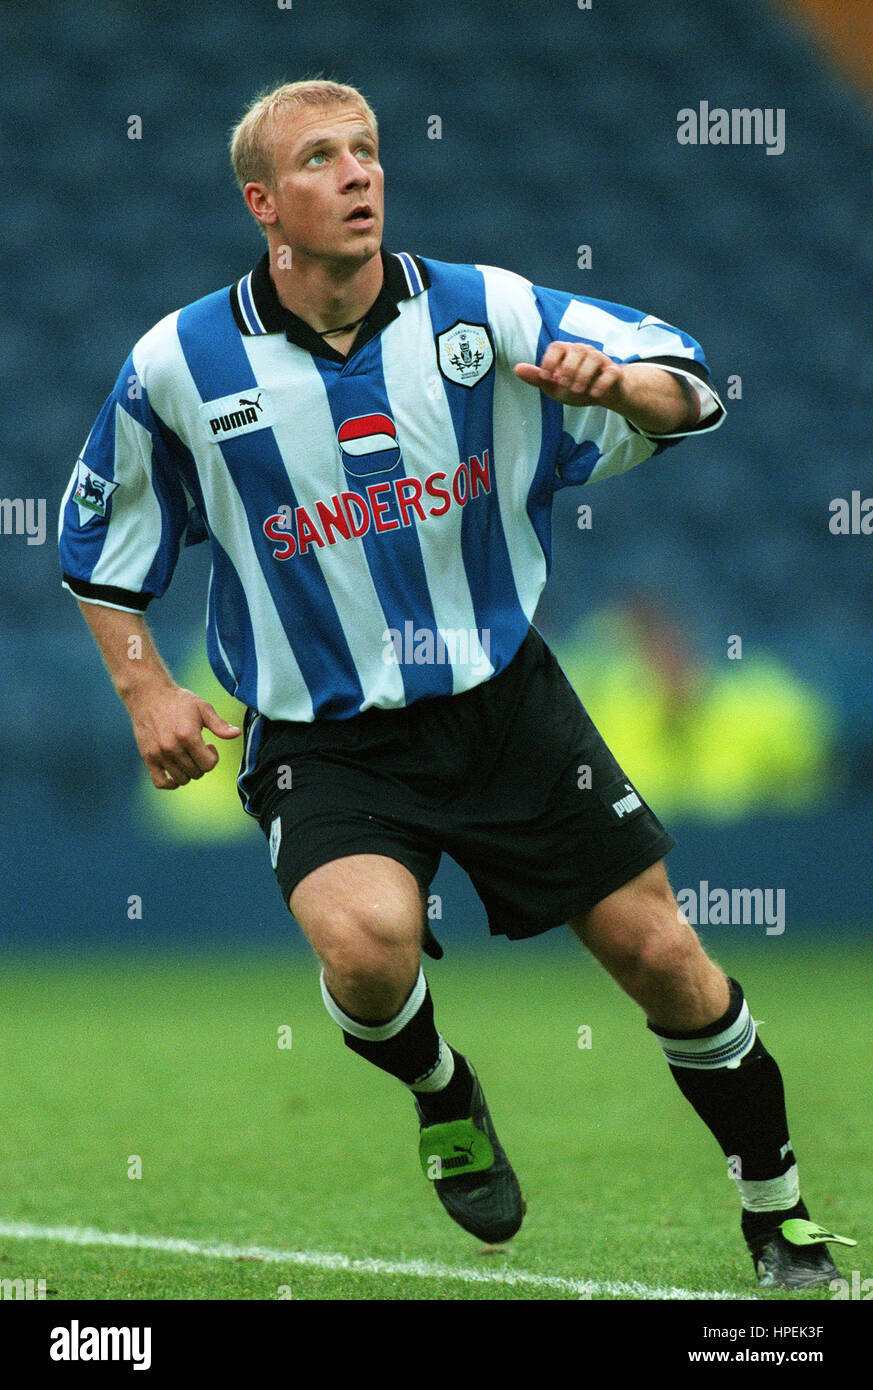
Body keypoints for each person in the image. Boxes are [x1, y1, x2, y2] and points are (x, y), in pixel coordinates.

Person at [58, 78, 853, 1289]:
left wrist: (623, 388)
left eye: (369, 150)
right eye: (323, 158)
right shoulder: (179, 364)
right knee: (367, 949)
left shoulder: (487, 311)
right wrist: (146, 692)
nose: (361, 173)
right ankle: (444, 1092)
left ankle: (780, 1215)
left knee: (664, 958)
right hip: (323, 737)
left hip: (506, 708)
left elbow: (691, 379)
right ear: (265, 204)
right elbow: (95, 549)